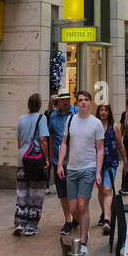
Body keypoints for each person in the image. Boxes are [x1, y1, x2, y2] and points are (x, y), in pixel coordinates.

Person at [56, 89, 104, 247]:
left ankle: (83, 241)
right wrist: (59, 164)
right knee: (73, 208)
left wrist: (98, 172)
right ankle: (85, 229)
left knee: (83, 205)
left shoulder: (96, 123)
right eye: (80, 100)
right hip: (71, 168)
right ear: (77, 103)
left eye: (86, 100)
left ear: (90, 103)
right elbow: (64, 143)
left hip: (88, 168)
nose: (83, 102)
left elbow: (100, 149)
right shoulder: (70, 120)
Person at [13, 93, 49, 237]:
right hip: (36, 161)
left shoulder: (21, 119)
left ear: (28, 105)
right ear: (39, 105)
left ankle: (19, 223)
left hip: (23, 160)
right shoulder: (42, 118)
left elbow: (19, 142)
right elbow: (43, 141)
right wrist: (46, 159)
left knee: (22, 193)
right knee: (36, 194)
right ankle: (31, 227)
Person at [49, 89, 79, 236]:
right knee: (63, 193)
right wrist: (49, 157)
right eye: (63, 99)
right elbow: (51, 138)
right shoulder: (53, 116)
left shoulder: (77, 112)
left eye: (67, 99)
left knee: (76, 191)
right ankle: (68, 220)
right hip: (58, 160)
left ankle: (76, 216)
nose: (65, 101)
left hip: (75, 159)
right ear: (58, 102)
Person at [96, 102, 127, 235]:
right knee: (101, 190)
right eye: (101, 110)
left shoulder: (114, 127)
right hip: (98, 164)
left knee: (107, 189)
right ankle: (104, 213)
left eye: (106, 110)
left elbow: (120, 144)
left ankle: (107, 220)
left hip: (111, 162)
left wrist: (125, 161)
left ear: (109, 113)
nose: (103, 112)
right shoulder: (95, 127)